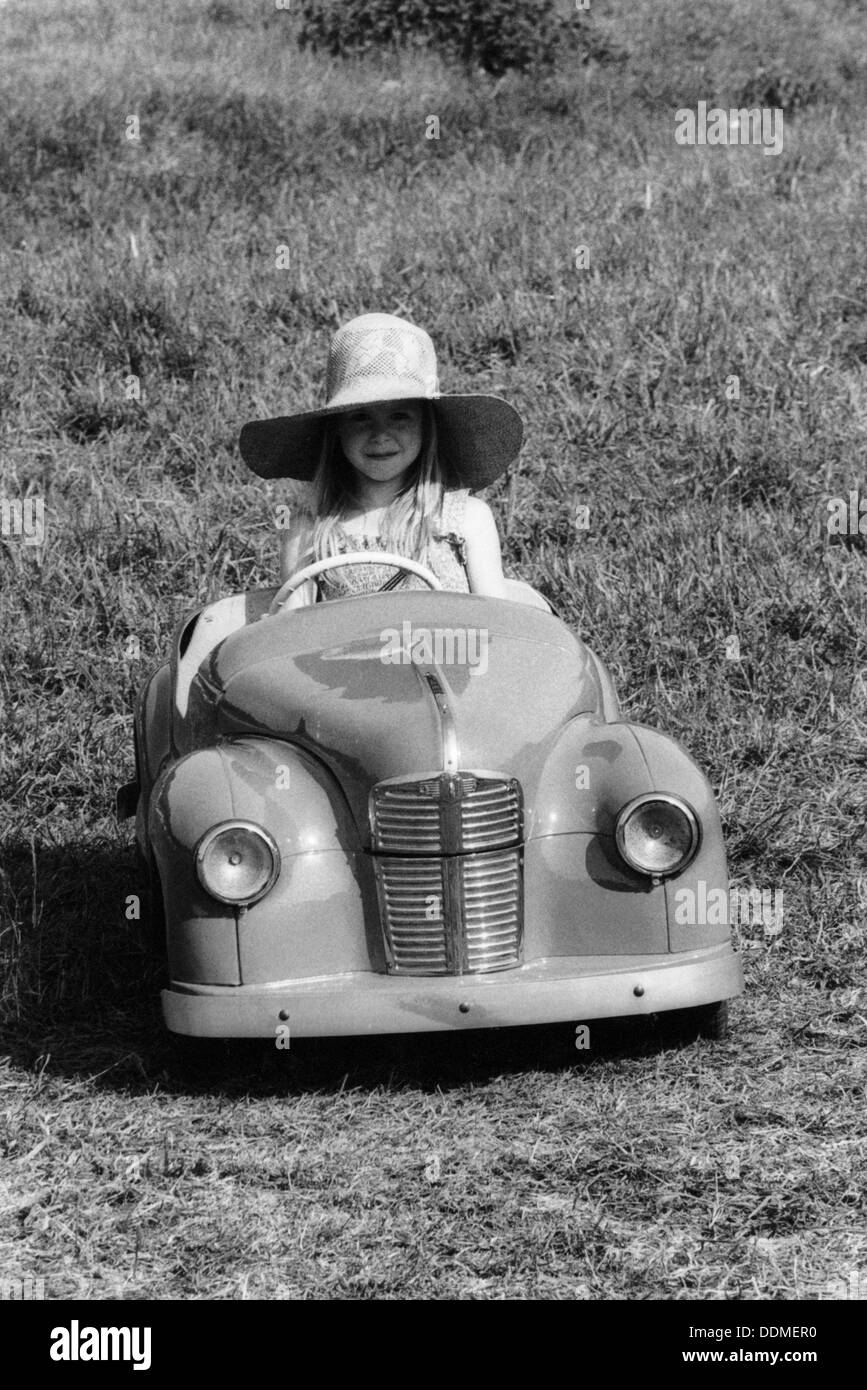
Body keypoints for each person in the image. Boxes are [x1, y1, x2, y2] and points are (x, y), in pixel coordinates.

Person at [239, 312, 530, 606]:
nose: (380, 434)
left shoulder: (465, 519)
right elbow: (292, 629)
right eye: (360, 417)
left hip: (451, 649)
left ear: (426, 427)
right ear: (337, 430)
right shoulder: (311, 528)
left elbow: (498, 624)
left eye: (399, 416)